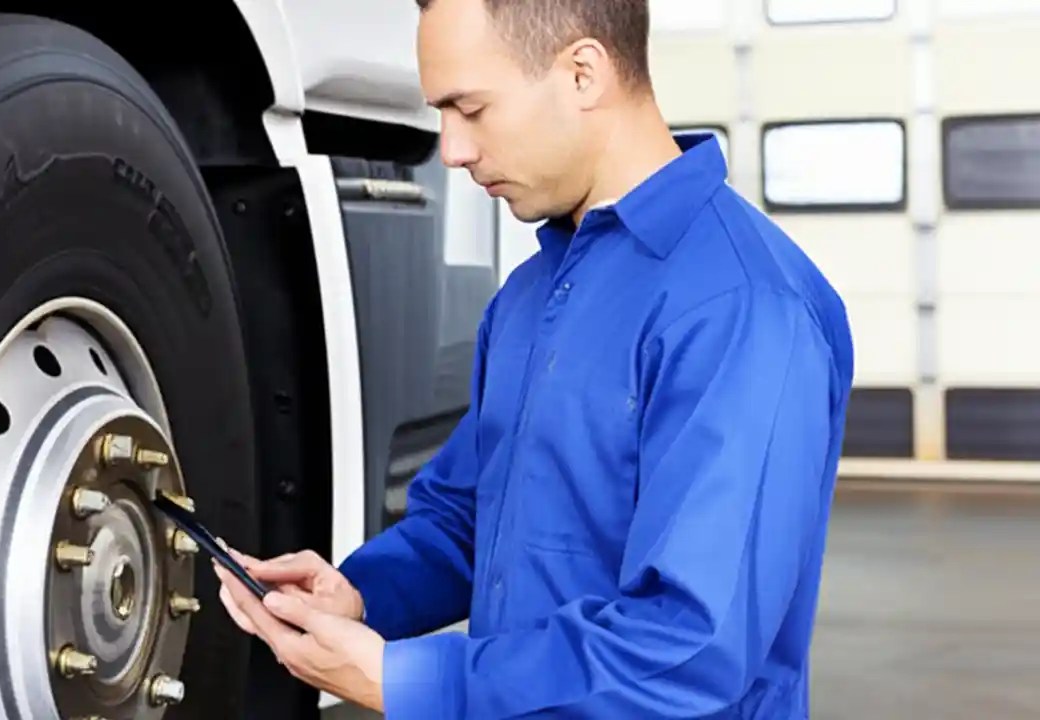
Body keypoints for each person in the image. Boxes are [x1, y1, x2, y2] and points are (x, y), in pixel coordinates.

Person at [212, 0, 854, 717]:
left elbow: (688, 648)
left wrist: (413, 683)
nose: (452, 150)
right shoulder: (528, 296)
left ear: (583, 73)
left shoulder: (744, 306)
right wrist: (361, 595)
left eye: (470, 109)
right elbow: (468, 519)